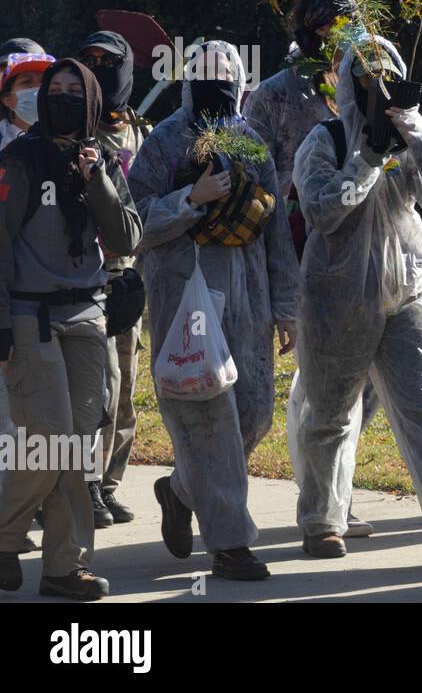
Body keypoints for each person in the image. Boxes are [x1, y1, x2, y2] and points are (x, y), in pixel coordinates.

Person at [291, 36, 422, 593]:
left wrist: (415, 131)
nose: (375, 84)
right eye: (365, 75)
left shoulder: (410, 130)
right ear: (349, 82)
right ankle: (322, 521)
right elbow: (324, 211)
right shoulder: (321, 140)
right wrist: (368, 158)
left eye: (385, 73)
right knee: (329, 411)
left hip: (405, 298)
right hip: (336, 298)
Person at [129, 40, 298, 582]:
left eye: (224, 73)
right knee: (208, 422)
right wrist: (190, 199)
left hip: (247, 304)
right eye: (202, 72)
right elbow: (133, 224)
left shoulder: (251, 143)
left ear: (240, 81)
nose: (214, 81)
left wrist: (287, 307)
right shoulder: (163, 142)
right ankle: (230, 546)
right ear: (185, 80)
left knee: (254, 413)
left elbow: (276, 236)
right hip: (184, 299)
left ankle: (179, 490)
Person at [0, 59, 142, 600]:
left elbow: (127, 238)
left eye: (69, 91)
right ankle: (7, 532)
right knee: (50, 440)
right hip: (29, 313)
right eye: (51, 90)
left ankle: (65, 566)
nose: (58, 98)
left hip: (88, 314)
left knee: (81, 448)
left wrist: (97, 179)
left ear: (89, 100)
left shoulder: (102, 157)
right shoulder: (17, 160)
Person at [243, 0, 378, 539]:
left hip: (367, 252)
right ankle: (320, 503)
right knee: (318, 384)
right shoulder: (274, 95)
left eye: (347, 24)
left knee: (362, 385)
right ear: (306, 29)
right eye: (327, 25)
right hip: (297, 251)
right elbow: (251, 175)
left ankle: (332, 495)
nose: (338, 36)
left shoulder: (372, 81)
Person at [77, 31, 150, 529]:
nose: (100, 68)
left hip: (130, 276)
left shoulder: (143, 132)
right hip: (87, 276)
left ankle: (109, 483)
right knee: (97, 391)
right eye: (91, 61)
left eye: (110, 61)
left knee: (126, 387)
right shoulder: (73, 129)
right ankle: (83, 486)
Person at [0, 50, 53, 151]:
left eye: (44, 81)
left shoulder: (68, 141)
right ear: (6, 99)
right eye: (27, 82)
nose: (39, 87)